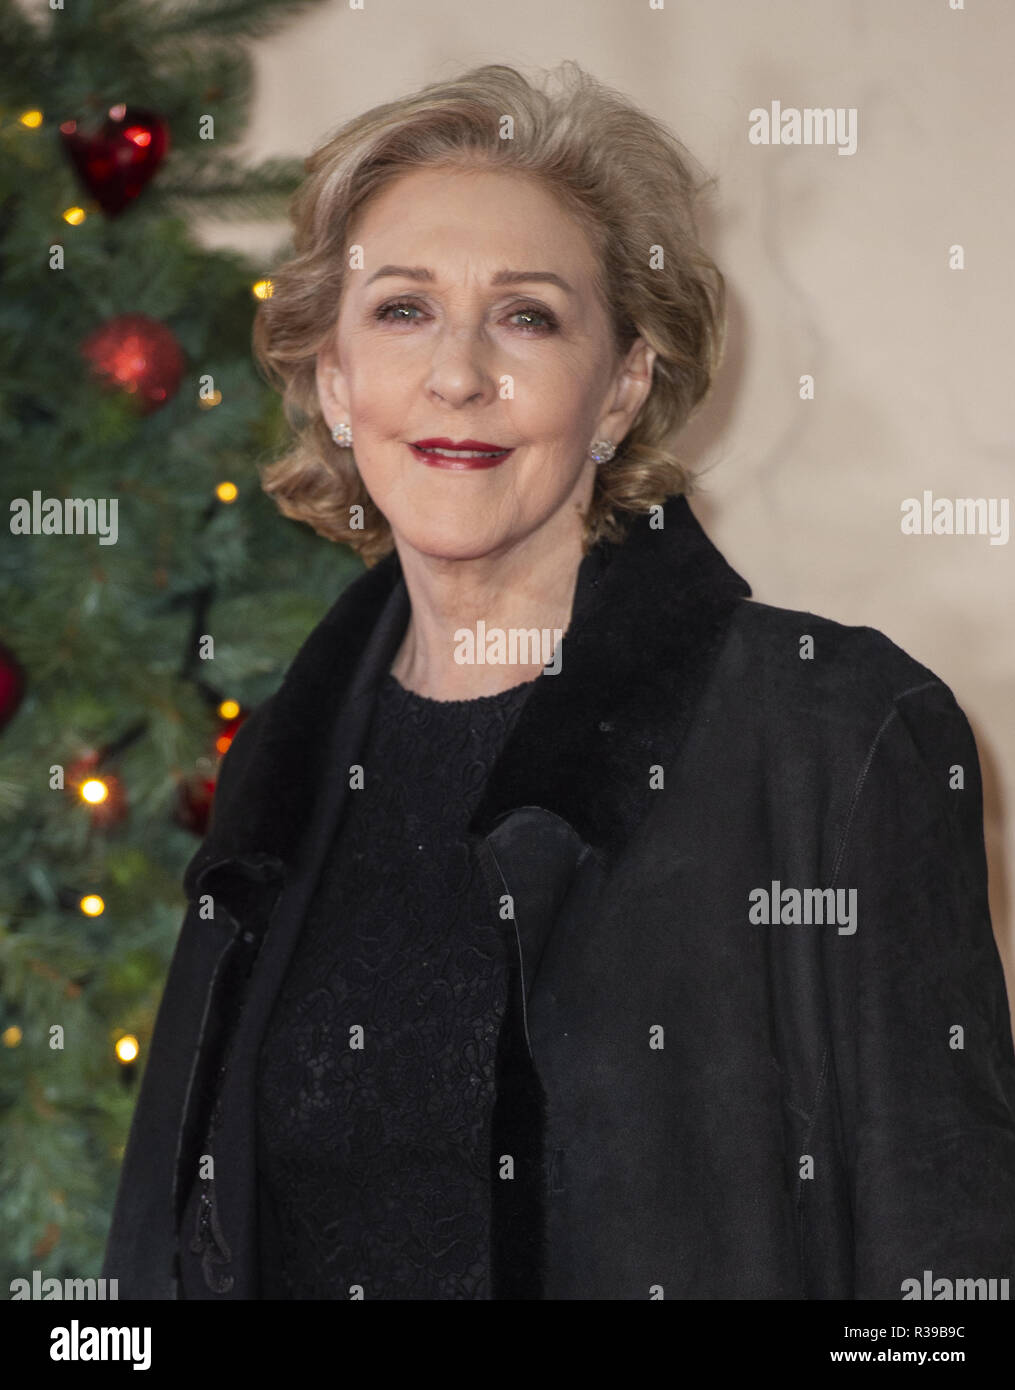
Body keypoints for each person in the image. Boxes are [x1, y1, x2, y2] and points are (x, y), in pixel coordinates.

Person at [102, 60, 1015, 1300]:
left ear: (623, 382)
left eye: (527, 316)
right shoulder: (284, 755)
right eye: (401, 311)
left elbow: (948, 1268)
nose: (459, 374)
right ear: (332, 380)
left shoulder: (832, 729)